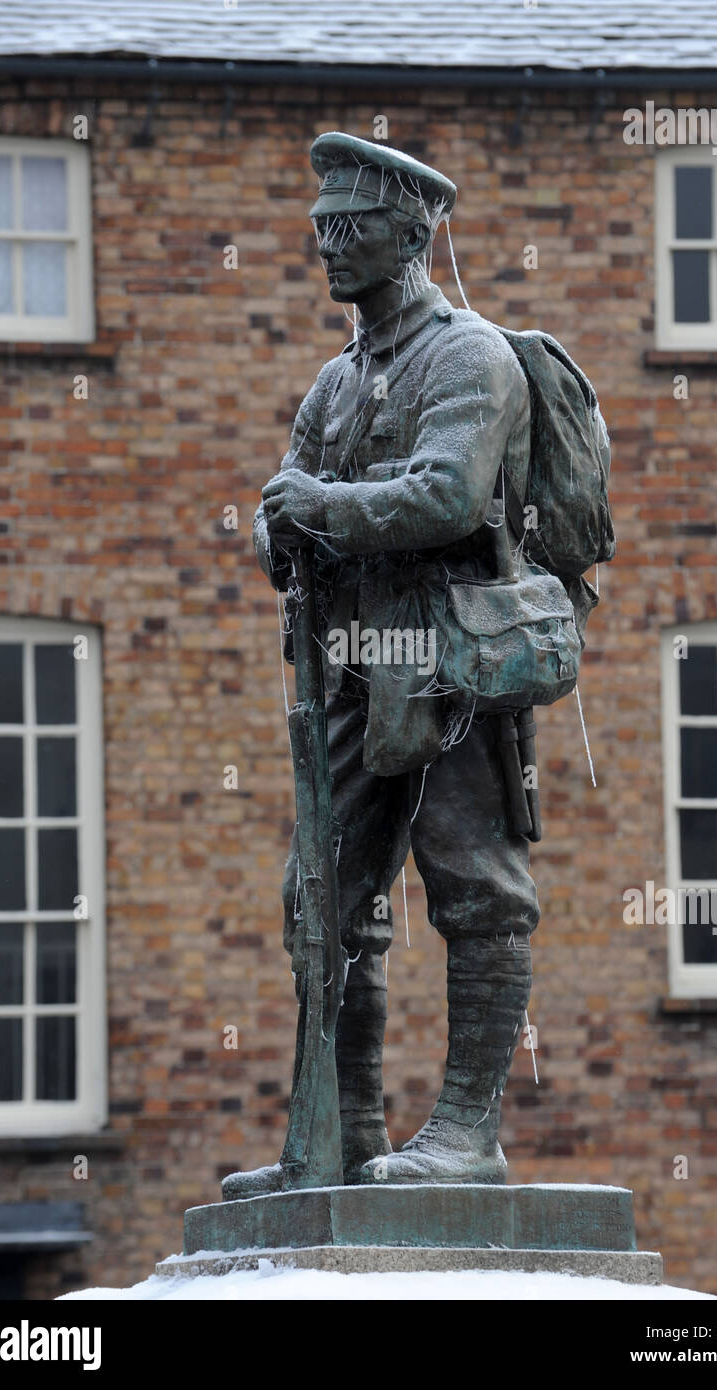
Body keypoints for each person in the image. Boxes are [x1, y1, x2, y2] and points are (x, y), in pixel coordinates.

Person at [223, 132, 538, 1197]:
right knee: (322, 892)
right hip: (354, 664)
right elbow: (285, 503)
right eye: (318, 230)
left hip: (453, 657)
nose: (325, 248)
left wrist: (316, 510)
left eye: (346, 229)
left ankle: (467, 1132)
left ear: (408, 235)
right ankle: (342, 1131)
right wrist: (280, 532)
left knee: (474, 888)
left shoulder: (471, 358)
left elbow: (448, 495)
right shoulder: (335, 380)